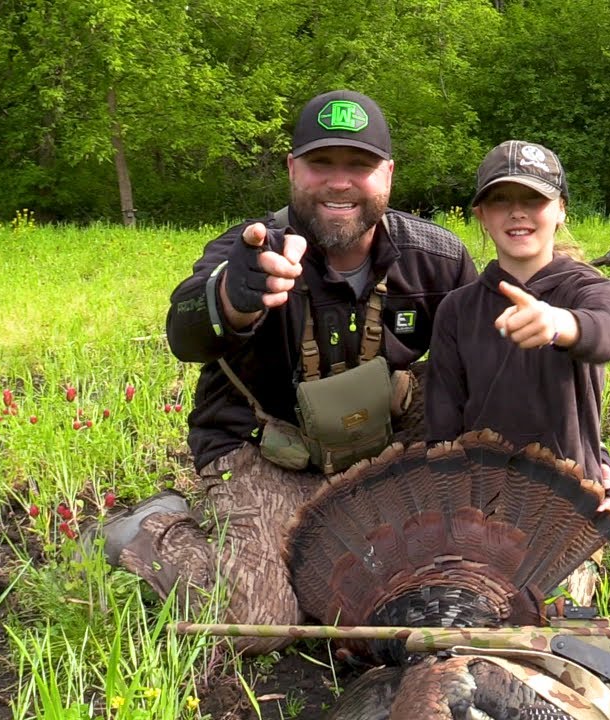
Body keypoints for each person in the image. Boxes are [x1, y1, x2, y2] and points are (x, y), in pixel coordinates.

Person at [86, 90, 478, 654]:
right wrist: (233, 296)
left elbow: (471, 369)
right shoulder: (251, 250)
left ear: (387, 176)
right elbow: (185, 330)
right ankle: (150, 532)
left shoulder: (436, 256)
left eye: (359, 166)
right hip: (265, 446)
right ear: (294, 169)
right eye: (321, 164)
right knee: (259, 619)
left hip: (378, 438)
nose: (339, 183)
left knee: (424, 581)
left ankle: (345, 515)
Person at [425, 140, 610, 603]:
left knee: (544, 619)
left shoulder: (587, 289)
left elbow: (609, 335)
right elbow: (443, 420)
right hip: (483, 504)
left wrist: (559, 323)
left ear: (560, 210)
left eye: (534, 200)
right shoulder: (458, 309)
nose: (517, 214)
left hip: (566, 501)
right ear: (480, 215)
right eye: (501, 201)